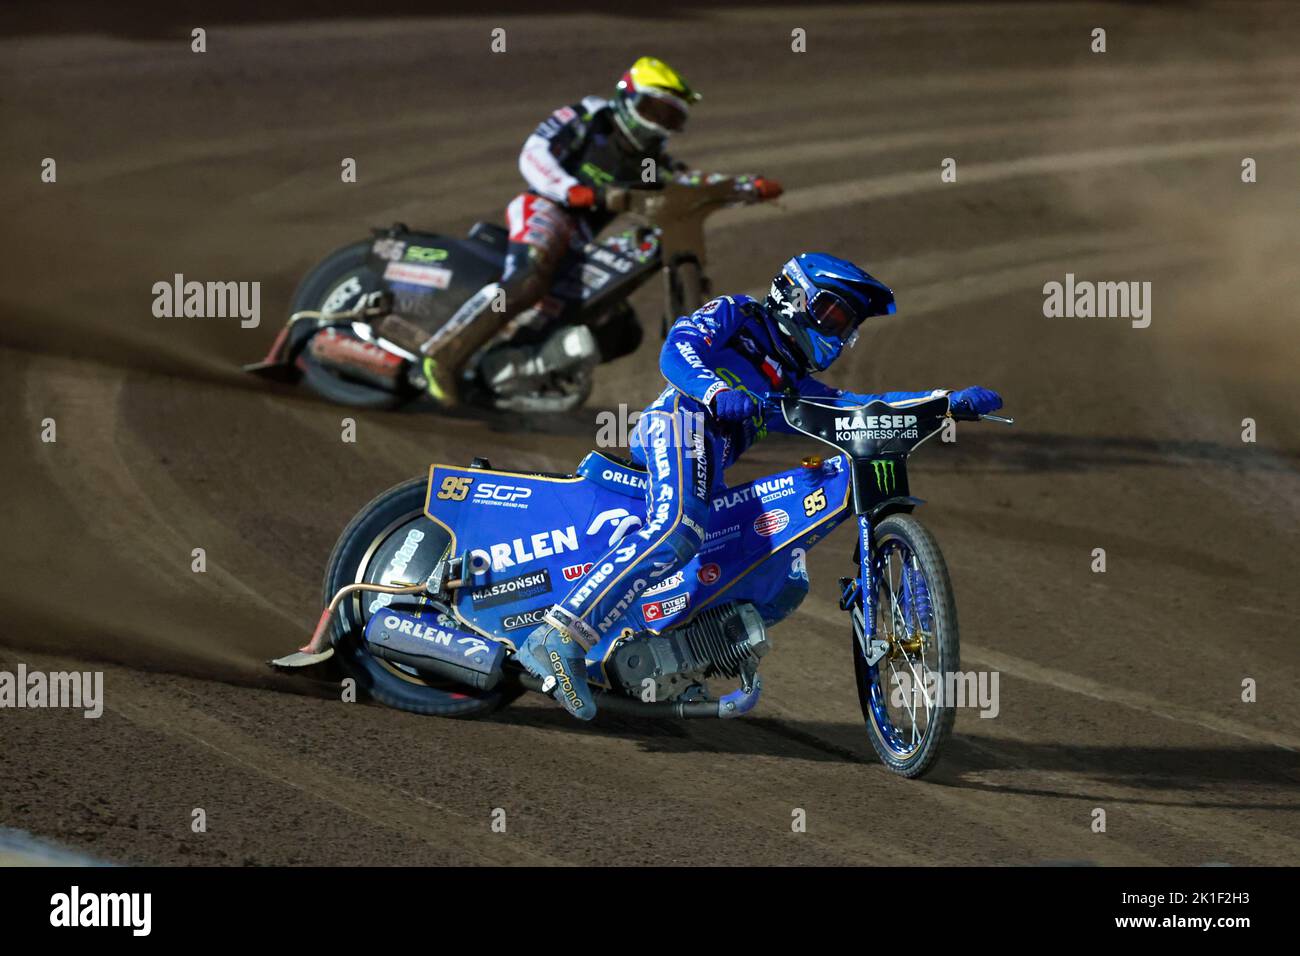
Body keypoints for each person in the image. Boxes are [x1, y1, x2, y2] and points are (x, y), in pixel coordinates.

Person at [514, 252, 1004, 719]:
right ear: (795, 294)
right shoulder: (738, 313)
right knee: (678, 530)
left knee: (766, 570)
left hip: (710, 455)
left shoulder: (792, 385)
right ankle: (559, 635)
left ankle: (674, 655)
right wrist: (716, 391)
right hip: (680, 421)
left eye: (847, 325)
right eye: (833, 314)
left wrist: (943, 402)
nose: (839, 331)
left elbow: (859, 406)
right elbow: (677, 350)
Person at [392, 56, 701, 403]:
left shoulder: (654, 162)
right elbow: (534, 153)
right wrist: (571, 190)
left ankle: (518, 370)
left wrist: (746, 187)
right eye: (655, 111)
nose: (660, 125)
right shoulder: (588, 117)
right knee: (531, 277)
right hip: (545, 208)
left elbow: (688, 185)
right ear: (627, 98)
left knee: (621, 330)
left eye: (671, 118)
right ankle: (441, 358)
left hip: (581, 240)